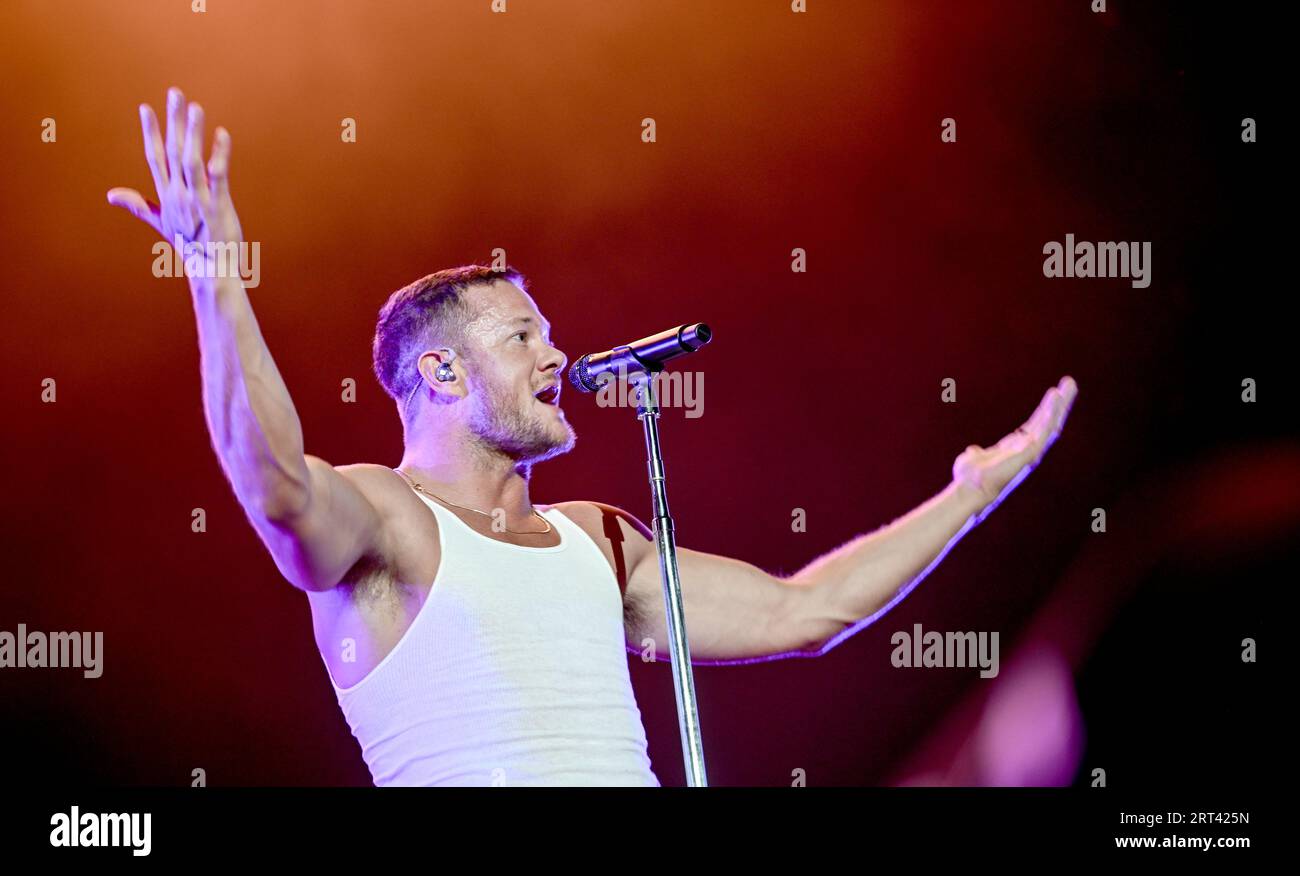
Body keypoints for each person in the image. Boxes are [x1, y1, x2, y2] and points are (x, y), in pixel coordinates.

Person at [107, 87, 1078, 787]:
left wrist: (971, 493)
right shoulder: (385, 516)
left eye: (548, 334)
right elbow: (274, 483)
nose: (555, 356)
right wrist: (217, 280)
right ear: (440, 373)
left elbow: (803, 612)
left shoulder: (597, 539)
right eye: (522, 335)